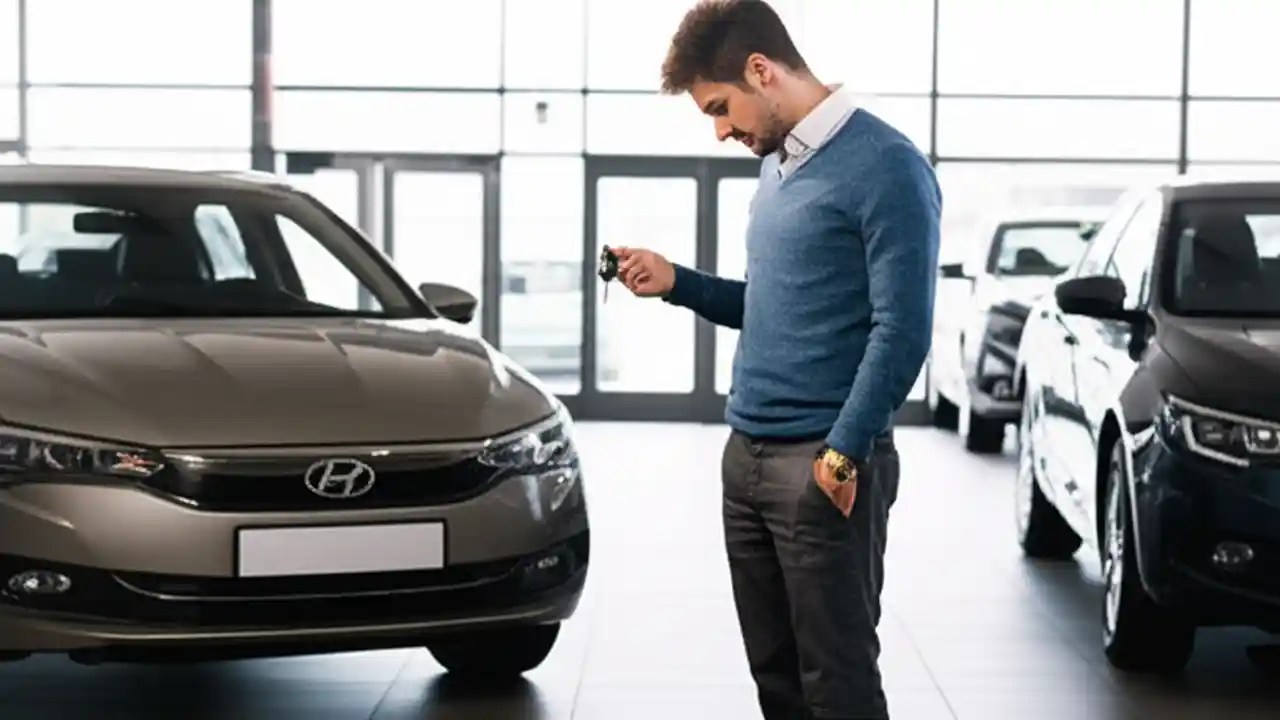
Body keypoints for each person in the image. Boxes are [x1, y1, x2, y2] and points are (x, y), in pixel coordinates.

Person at [610, 2, 941, 718]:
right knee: (777, 678)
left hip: (822, 464)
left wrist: (845, 452)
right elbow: (771, 304)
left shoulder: (888, 165)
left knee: (838, 679)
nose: (723, 129)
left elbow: (904, 329)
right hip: (747, 459)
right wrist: (678, 283)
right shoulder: (779, 167)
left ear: (761, 71)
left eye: (721, 108)